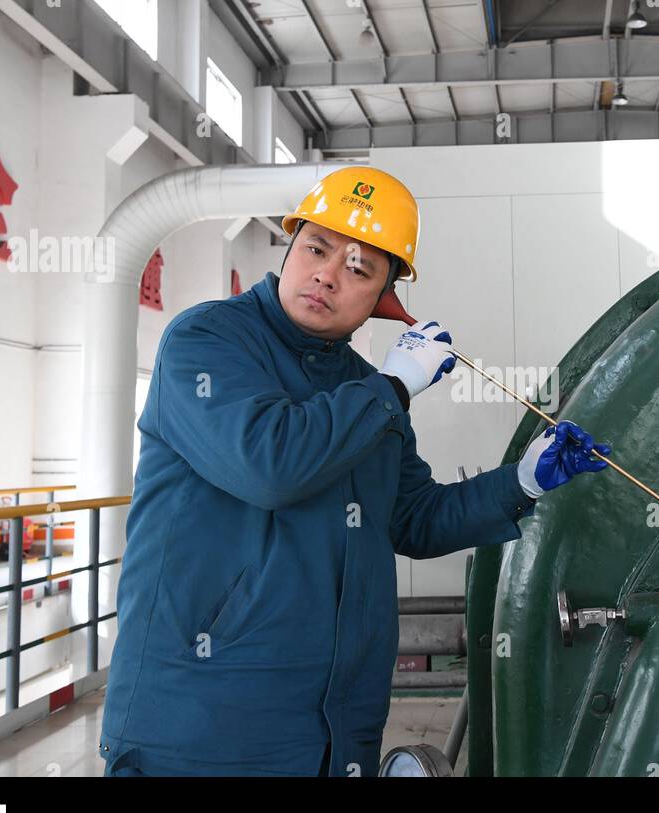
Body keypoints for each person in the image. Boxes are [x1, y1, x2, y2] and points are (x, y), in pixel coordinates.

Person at [99, 166, 610, 776]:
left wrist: (521, 482)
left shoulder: (364, 392)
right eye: (317, 248)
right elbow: (269, 465)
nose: (327, 274)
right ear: (291, 247)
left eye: (360, 269)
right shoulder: (206, 341)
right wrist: (394, 385)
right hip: (200, 723)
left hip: (337, 730)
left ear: (382, 300)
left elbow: (414, 520)